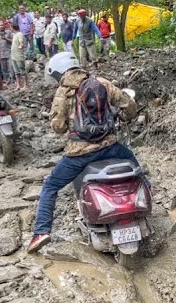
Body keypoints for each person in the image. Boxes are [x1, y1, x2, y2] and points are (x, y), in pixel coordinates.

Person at [29, 52, 140, 251]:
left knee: (50, 186)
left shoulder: (63, 93)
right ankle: (149, 204)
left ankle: (41, 232)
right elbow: (129, 106)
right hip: (111, 146)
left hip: (79, 154)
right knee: (137, 169)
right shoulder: (101, 82)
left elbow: (58, 126)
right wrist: (122, 118)